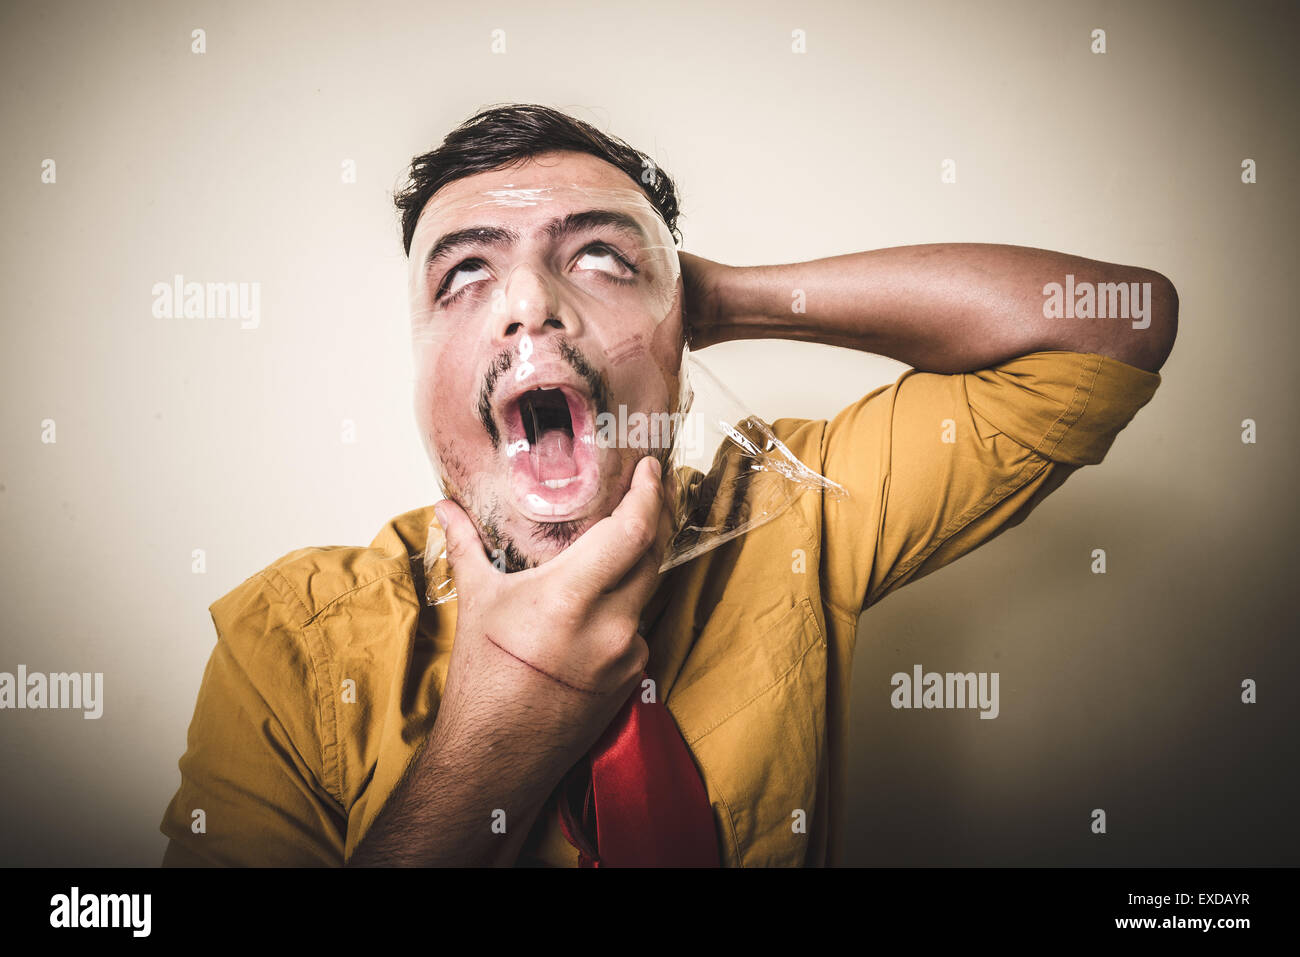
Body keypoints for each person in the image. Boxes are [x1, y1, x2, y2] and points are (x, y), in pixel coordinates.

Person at [160, 103, 1177, 867]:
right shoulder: (286, 650)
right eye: (465, 274)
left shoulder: (789, 519)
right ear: (418, 363)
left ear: (682, 334)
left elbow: (1112, 322)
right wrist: (496, 739)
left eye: (596, 258)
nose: (529, 306)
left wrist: (722, 294)